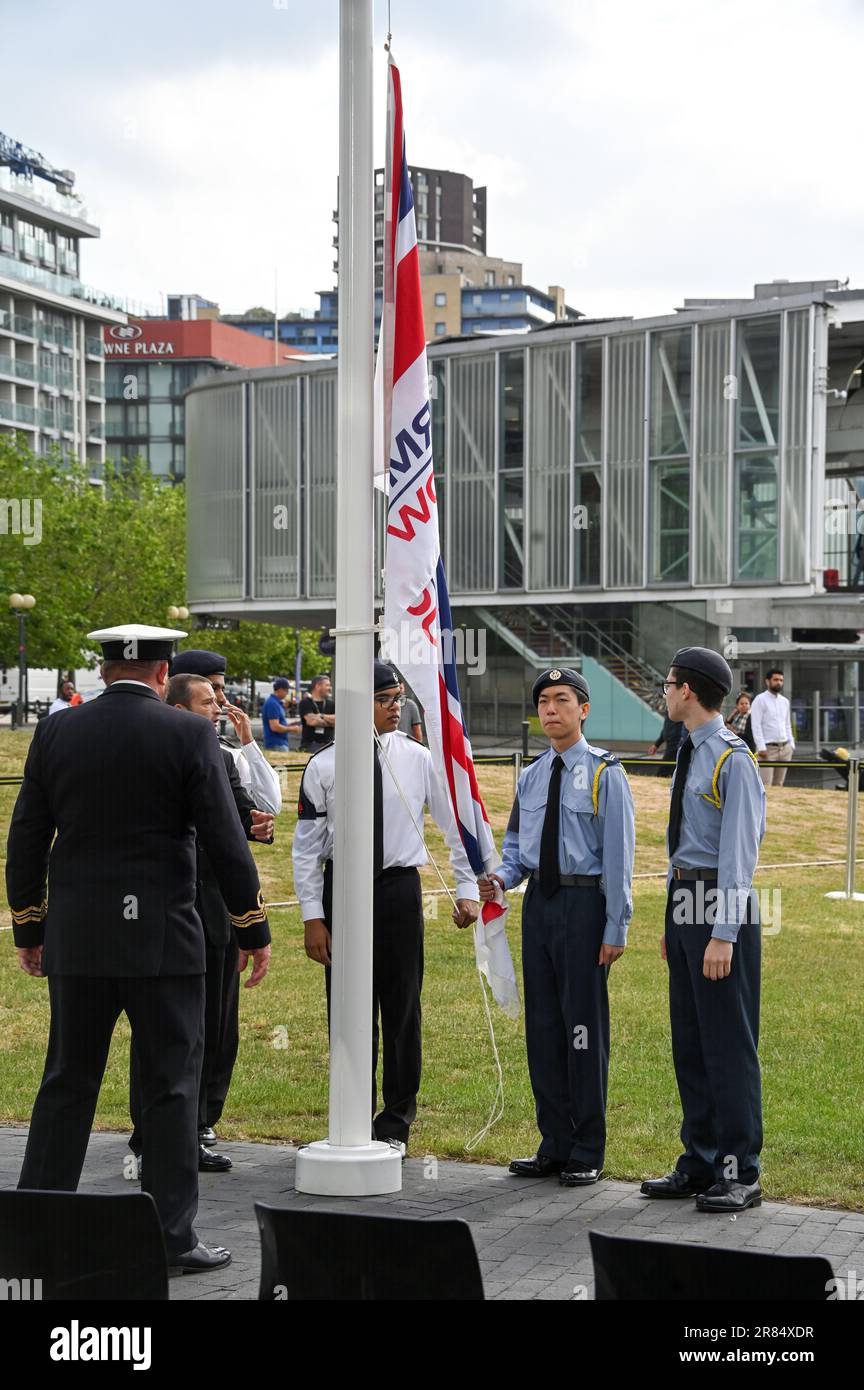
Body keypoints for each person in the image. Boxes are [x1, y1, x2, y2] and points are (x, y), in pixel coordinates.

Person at [7, 623, 271, 1275]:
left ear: (103, 672)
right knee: (170, 1088)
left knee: (67, 1083)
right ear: (164, 674)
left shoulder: (56, 731)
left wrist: (31, 928)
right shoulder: (188, 733)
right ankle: (171, 1238)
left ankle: (37, 1228)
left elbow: (26, 839)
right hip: (164, 941)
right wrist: (250, 925)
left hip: (81, 938)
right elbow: (224, 836)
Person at [292, 660, 479, 1153]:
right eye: (384, 700)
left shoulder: (419, 759)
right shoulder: (324, 764)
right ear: (357, 704)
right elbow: (307, 849)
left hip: (397, 890)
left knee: (401, 1008)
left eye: (398, 699)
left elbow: (452, 827)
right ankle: (349, 1115)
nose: (396, 708)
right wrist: (313, 916)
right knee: (347, 1007)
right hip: (344, 890)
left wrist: (467, 888)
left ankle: (395, 1122)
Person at [480, 667, 634, 1187]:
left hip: (584, 906)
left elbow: (618, 856)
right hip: (539, 907)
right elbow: (517, 849)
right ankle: (554, 1142)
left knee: (583, 1028)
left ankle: (587, 1146)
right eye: (543, 700)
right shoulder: (531, 774)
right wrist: (499, 878)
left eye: (562, 699)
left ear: (583, 709)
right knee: (544, 1026)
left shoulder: (603, 771)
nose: (551, 709)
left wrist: (616, 925)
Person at [128, 671, 274, 1173]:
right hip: (167, 905)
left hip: (213, 908)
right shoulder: (156, 753)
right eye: (207, 701)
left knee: (214, 1023)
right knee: (166, 1027)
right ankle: (152, 1132)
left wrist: (257, 824)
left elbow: (237, 822)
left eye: (218, 699)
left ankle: (198, 1124)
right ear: (177, 707)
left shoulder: (224, 756)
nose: (218, 709)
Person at [641, 647, 766, 1213]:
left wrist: (723, 933)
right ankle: (700, 1160)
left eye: (668, 685)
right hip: (686, 896)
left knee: (727, 1044)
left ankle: (740, 1171)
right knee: (690, 1040)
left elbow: (739, 856)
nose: (664, 694)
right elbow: (680, 847)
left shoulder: (732, 759)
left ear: (688, 691)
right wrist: (674, 919)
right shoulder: (690, 751)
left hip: (719, 900)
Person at [172, 649, 282, 816]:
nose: (223, 699)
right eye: (213, 688)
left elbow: (269, 806)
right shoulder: (153, 742)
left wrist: (249, 743)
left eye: (221, 689)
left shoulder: (228, 755)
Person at [749, 668, 794, 787]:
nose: (778, 682)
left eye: (781, 680)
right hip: (767, 749)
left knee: (779, 784)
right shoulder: (759, 700)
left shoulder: (785, 701)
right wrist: (761, 747)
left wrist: (791, 744)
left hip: (785, 748)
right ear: (767, 681)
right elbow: (756, 725)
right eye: (775, 679)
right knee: (765, 785)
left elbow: (787, 724)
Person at [299, 674, 335, 752]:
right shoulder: (305, 703)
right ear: (318, 686)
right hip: (310, 746)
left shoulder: (332, 704)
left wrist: (320, 716)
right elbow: (312, 721)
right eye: (327, 685)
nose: (330, 688)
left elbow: (337, 721)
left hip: (329, 746)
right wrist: (329, 722)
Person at [262, 677, 296, 752]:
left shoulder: (276, 703)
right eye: (286, 690)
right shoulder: (273, 704)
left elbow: (279, 719)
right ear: (280, 689)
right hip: (277, 744)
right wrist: (293, 729)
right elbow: (275, 727)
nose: (287, 693)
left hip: (279, 743)